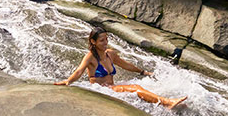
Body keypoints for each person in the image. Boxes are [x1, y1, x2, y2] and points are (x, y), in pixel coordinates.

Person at [56, 26, 187, 109]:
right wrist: (68, 81)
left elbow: (126, 65)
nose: (105, 42)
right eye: (101, 40)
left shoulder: (110, 54)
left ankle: (164, 102)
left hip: (112, 88)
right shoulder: (90, 56)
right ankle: (166, 103)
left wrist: (142, 72)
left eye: (106, 39)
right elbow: (79, 71)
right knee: (136, 89)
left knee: (139, 86)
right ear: (93, 41)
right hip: (101, 90)